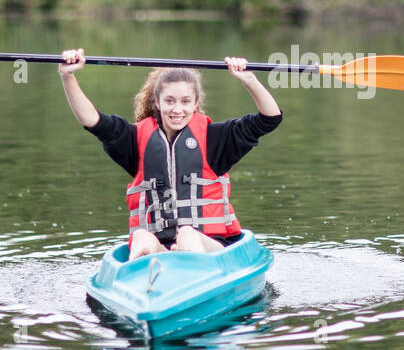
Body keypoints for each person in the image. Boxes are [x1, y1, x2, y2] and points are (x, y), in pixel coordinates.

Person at [59, 48, 282, 259]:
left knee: (187, 234)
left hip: (211, 249)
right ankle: (144, 278)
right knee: (141, 237)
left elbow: (270, 118)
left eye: (185, 101)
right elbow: (90, 119)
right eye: (169, 101)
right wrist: (67, 76)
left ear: (195, 104)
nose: (177, 109)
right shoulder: (134, 140)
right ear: (157, 102)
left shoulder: (216, 139)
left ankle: (191, 273)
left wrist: (249, 79)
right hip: (161, 253)